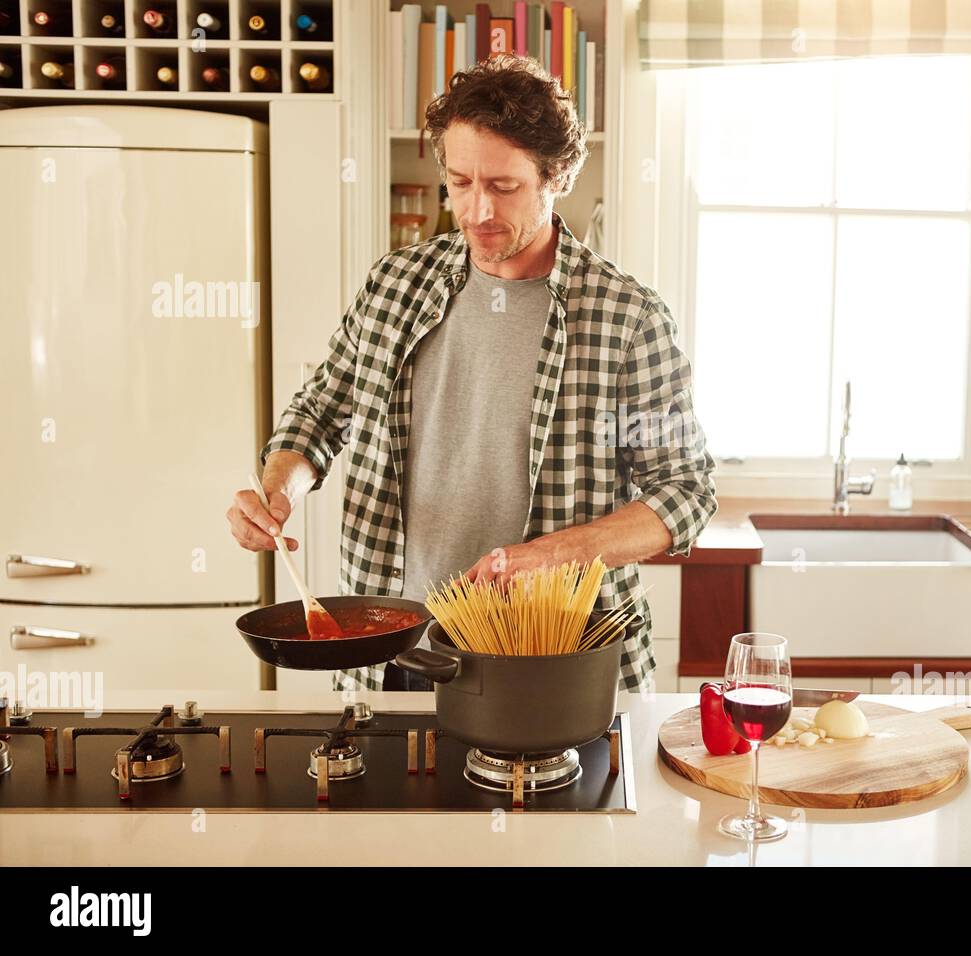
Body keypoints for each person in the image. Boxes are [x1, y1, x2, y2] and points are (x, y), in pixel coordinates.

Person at [226, 55, 717, 693]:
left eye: (504, 186)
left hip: (553, 663)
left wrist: (555, 554)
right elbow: (319, 414)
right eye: (460, 182)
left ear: (556, 177)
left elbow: (685, 492)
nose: (478, 209)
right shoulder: (394, 284)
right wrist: (279, 491)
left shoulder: (628, 318)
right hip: (393, 650)